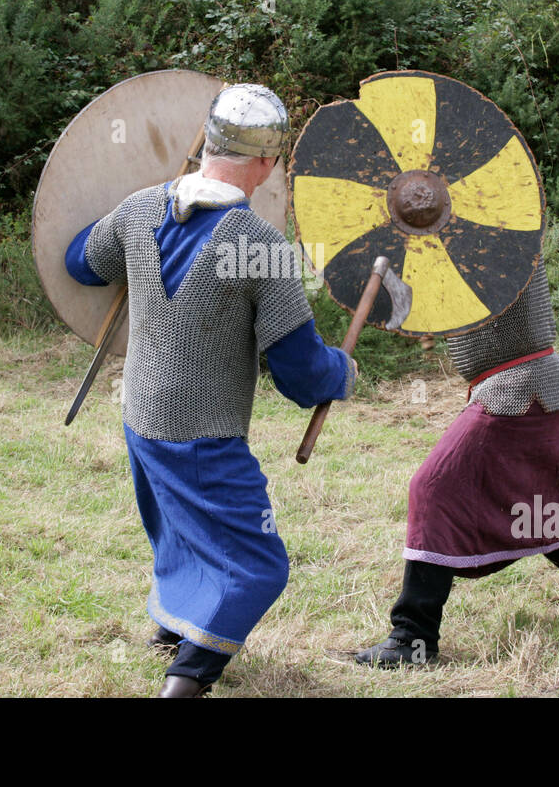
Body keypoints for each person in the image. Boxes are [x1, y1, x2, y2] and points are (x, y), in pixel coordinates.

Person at [65, 83, 356, 697]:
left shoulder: (140, 210)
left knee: (177, 530)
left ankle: (172, 629)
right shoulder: (262, 248)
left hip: (140, 416)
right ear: (269, 164)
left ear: (207, 141)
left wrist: (123, 215)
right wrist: (342, 372)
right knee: (257, 567)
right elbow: (302, 377)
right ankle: (186, 682)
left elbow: (78, 262)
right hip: (201, 433)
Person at [355, 262, 559, 668]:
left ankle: (412, 636)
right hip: (533, 385)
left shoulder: (500, 239)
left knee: (434, 489)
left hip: (518, 387)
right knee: (533, 499)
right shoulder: (471, 241)